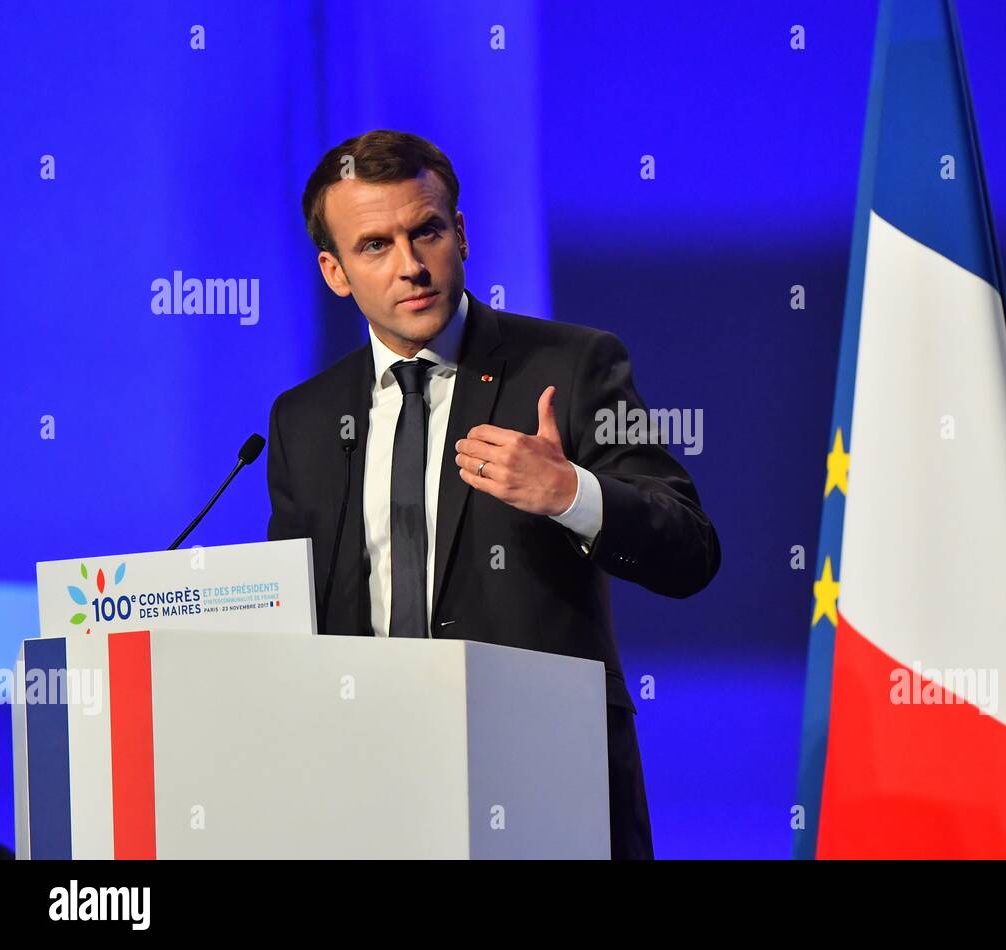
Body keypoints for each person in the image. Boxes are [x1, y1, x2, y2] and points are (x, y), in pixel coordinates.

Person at [267, 130, 721, 859]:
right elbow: (294, 616)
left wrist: (572, 492)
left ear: (462, 234)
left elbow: (691, 551)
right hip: (368, 789)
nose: (412, 267)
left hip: (545, 782)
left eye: (428, 231)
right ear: (335, 271)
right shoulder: (305, 419)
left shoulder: (572, 365)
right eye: (376, 246)